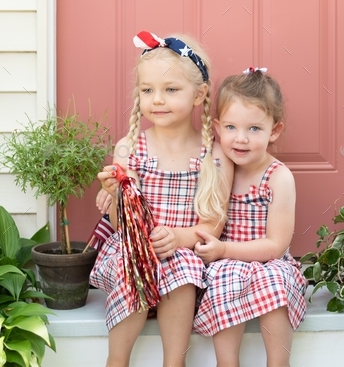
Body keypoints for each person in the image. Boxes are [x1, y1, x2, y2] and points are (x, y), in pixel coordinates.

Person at [91, 30, 233, 367]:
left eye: (171, 90)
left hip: (182, 252)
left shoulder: (213, 155)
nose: (157, 100)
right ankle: (117, 360)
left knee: (181, 269)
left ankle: (175, 361)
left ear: (199, 94)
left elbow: (214, 220)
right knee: (133, 266)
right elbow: (120, 225)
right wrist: (116, 198)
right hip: (133, 248)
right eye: (147, 90)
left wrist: (179, 237)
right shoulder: (130, 149)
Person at [193, 67, 307, 367]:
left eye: (254, 129)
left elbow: (275, 245)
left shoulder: (278, 177)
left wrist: (223, 249)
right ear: (217, 128)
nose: (240, 139)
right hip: (228, 264)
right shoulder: (216, 165)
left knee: (276, 279)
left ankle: (278, 363)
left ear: (274, 131)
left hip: (267, 260)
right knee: (224, 277)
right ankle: (227, 363)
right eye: (231, 127)